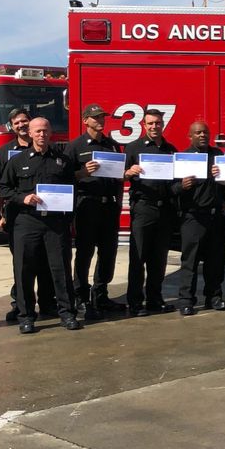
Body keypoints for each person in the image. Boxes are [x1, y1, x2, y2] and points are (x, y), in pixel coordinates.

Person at [0, 117, 82, 334]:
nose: (41, 134)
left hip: (55, 223)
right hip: (27, 222)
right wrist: (22, 198)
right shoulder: (17, 161)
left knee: (61, 269)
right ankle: (26, 316)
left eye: (45, 130)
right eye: (37, 131)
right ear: (30, 133)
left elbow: (72, 191)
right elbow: (4, 188)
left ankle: (67, 313)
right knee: (24, 270)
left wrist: (68, 219)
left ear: (50, 132)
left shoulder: (62, 161)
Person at [0, 107, 53, 323]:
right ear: (12, 126)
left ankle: (48, 303)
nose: (21, 125)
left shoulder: (49, 149)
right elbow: (0, 186)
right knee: (22, 264)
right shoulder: (4, 152)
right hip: (18, 217)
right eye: (16, 122)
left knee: (47, 263)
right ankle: (19, 305)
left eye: (24, 121)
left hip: (48, 218)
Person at [66, 103, 124, 320]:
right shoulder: (75, 146)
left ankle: (101, 294)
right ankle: (80, 296)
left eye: (102, 117)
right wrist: (82, 173)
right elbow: (63, 176)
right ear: (85, 121)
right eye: (96, 117)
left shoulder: (112, 145)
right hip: (87, 205)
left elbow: (118, 179)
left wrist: (119, 202)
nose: (100, 120)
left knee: (108, 252)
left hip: (109, 205)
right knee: (85, 252)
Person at [123, 108, 178, 316]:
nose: (154, 126)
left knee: (159, 258)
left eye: (158, 123)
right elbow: (120, 175)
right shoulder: (133, 148)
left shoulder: (170, 149)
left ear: (163, 124)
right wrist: (128, 172)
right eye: (150, 123)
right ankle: (135, 302)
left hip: (164, 209)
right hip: (143, 208)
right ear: (144, 125)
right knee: (138, 257)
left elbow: (175, 181)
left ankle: (155, 299)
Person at [172, 121, 225, 316]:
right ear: (190, 136)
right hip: (193, 216)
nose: (202, 135)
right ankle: (186, 300)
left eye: (205, 132)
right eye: (198, 133)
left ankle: (214, 297)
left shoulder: (217, 155)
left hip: (215, 216)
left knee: (215, 260)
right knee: (191, 260)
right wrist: (182, 185)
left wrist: (223, 178)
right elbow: (172, 188)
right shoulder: (182, 158)